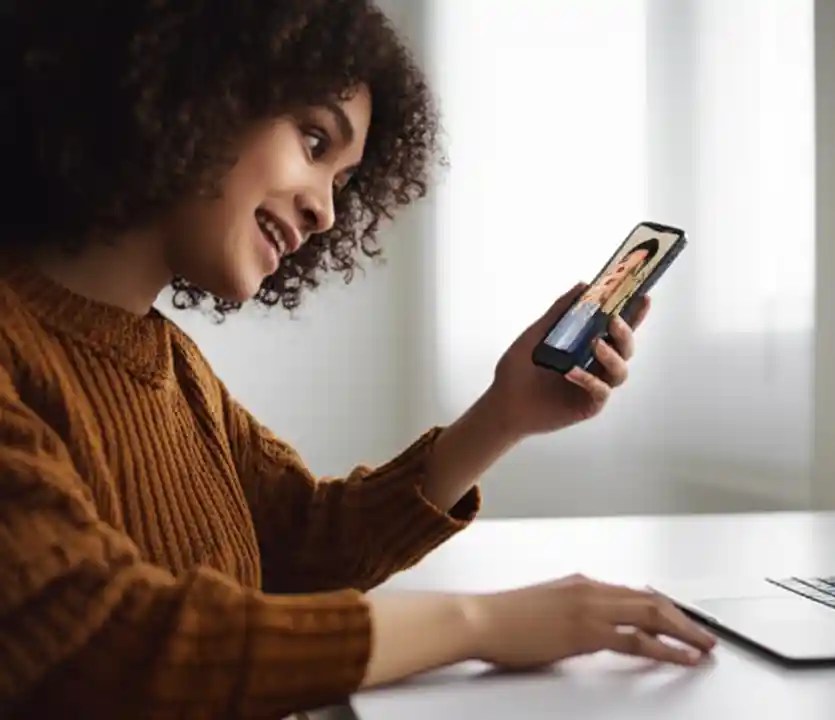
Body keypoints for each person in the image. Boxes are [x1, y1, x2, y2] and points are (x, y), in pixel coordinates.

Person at [0, 3, 715, 719]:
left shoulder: (174, 369)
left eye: (343, 184)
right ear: (191, 89)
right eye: (314, 140)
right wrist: (481, 625)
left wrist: (505, 412)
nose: (326, 215)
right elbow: (96, 641)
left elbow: (302, 547)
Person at [545, 238, 661, 351]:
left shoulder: (603, 324)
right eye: (622, 265)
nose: (616, 274)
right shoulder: (576, 303)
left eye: (629, 271)